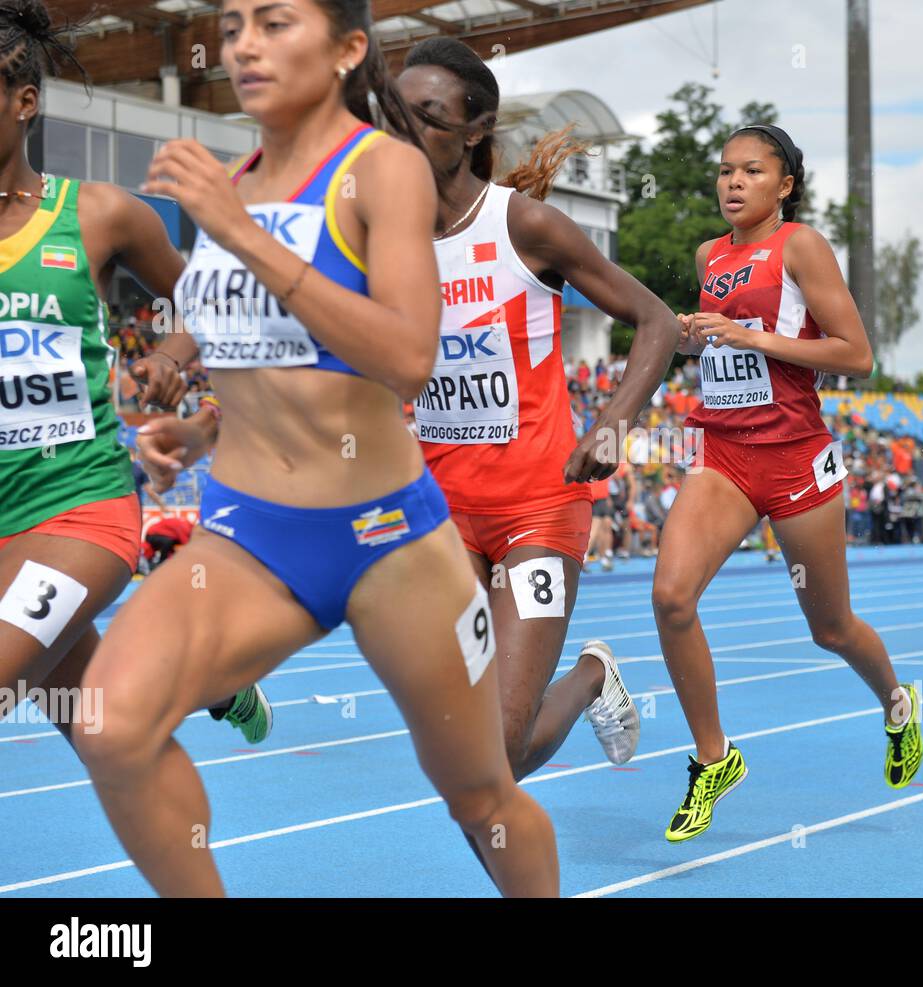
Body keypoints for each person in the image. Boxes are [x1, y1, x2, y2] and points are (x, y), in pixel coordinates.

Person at [73, 0, 558, 896]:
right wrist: (195, 420)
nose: (244, 45)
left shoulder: (384, 173)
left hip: (389, 541)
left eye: (274, 22)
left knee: (481, 792)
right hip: (251, 537)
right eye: (231, 27)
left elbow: (408, 359)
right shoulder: (233, 181)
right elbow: (272, 356)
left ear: (346, 49)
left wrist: (243, 236)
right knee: (111, 724)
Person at [396, 38, 679, 790]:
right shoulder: (382, 242)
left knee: (499, 755)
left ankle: (591, 673)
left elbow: (659, 322)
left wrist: (612, 422)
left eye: (426, 116)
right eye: (395, 115)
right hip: (443, 517)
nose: (405, 131)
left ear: (474, 130)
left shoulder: (524, 226)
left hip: (537, 508)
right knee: (461, 749)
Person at [0, 0, 269, 748]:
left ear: (24, 102)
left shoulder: (99, 215)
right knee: (104, 727)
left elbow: (211, 307)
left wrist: (171, 356)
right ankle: (207, 676)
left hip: (75, 506)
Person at [653, 124, 923, 843]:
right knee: (671, 595)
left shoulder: (800, 245)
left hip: (796, 457)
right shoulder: (711, 255)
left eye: (751, 171)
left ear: (785, 185)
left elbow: (856, 353)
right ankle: (715, 757)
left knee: (830, 626)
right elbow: (722, 342)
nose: (732, 183)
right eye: (723, 170)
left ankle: (896, 702)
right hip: (724, 452)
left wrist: (753, 338)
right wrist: (695, 336)